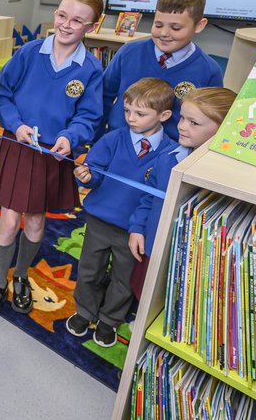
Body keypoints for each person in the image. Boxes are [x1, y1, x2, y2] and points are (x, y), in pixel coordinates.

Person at [0, 0, 105, 322]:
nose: (66, 24)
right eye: (62, 15)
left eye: (77, 20)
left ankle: (20, 276)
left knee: (35, 220)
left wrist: (70, 136)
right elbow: (2, 94)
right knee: (8, 219)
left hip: (53, 155)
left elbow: (90, 117)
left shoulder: (91, 69)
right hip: (18, 146)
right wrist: (15, 125)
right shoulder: (29, 53)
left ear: (92, 27)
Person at [70, 78, 177, 348]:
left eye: (140, 114)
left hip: (134, 230)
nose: (131, 118)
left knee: (123, 277)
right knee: (89, 269)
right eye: (127, 110)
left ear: (163, 115)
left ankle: (109, 319)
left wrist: (139, 227)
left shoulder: (170, 152)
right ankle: (85, 311)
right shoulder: (113, 138)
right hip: (99, 220)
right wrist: (86, 176)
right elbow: (92, 172)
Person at [126, 87, 236, 298]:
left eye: (193, 123)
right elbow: (149, 195)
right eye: (182, 118)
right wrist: (138, 227)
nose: (182, 127)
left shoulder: (222, 175)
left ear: (224, 128)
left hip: (194, 257)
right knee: (145, 289)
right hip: (155, 242)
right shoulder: (167, 157)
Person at [100, 0, 223, 138]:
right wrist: (95, 141)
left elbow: (211, 121)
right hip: (116, 144)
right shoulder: (129, 52)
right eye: (158, 25)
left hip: (171, 154)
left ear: (199, 25)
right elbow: (103, 96)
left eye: (176, 28)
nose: (164, 33)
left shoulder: (209, 70)